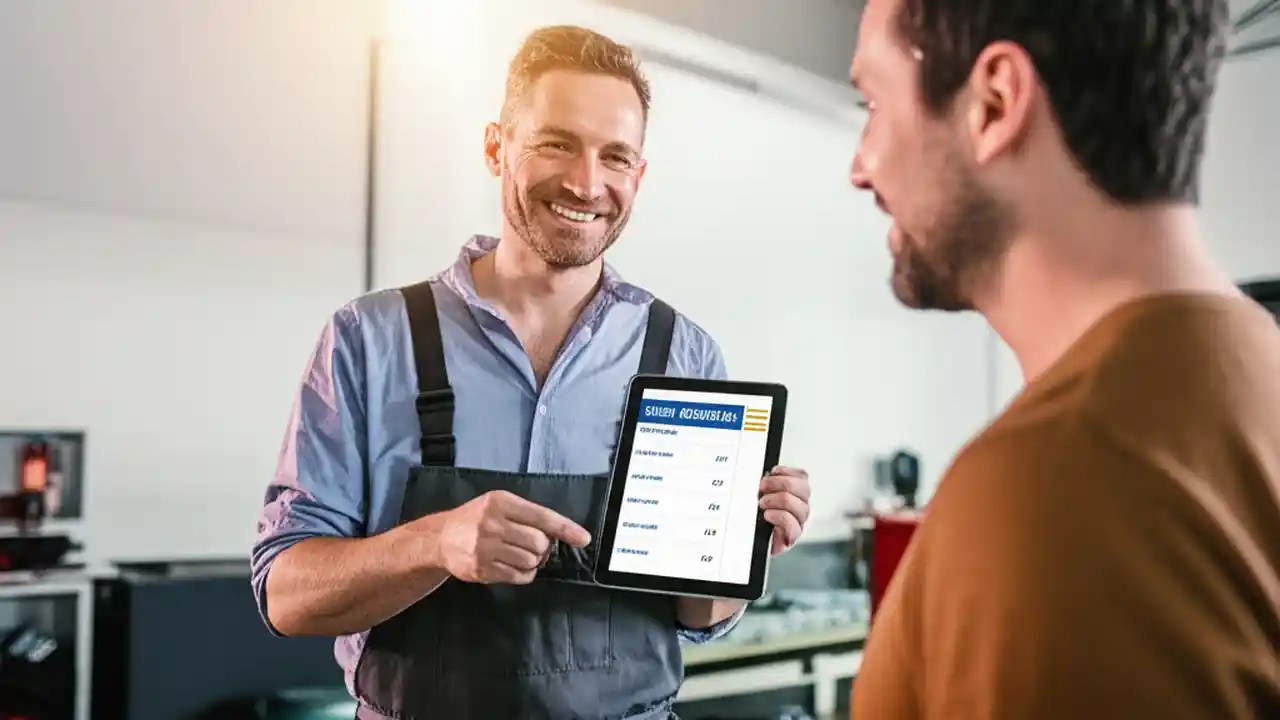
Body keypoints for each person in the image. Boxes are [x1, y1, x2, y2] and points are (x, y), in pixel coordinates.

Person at [250, 25, 813, 720]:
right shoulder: (370, 341)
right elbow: (286, 594)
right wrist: (435, 542)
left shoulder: (683, 356)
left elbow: (696, 612)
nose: (586, 183)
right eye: (557, 143)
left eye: (615, 156)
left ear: (638, 176)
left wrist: (745, 547)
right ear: (496, 148)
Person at [846, 0, 1280, 717]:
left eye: (873, 104)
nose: (860, 167)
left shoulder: (1051, 486)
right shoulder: (1253, 375)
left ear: (994, 103)